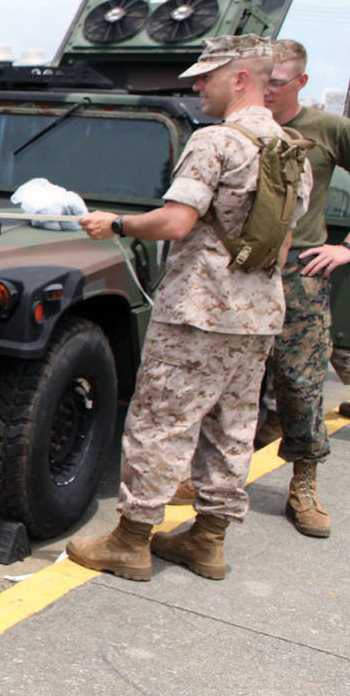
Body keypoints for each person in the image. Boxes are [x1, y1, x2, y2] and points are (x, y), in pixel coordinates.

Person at [66, 34, 308, 581]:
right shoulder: (291, 151)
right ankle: (208, 540)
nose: (198, 85)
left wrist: (117, 223)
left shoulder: (217, 141)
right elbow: (282, 247)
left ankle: (130, 542)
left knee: (159, 424)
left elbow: (176, 223)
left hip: (199, 312)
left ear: (241, 78)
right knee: (233, 426)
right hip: (259, 315)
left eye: (208, 75)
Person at [251, 40, 346, 537]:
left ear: (301, 83)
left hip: (300, 274)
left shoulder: (327, 129)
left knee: (299, 382)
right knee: (234, 377)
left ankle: (303, 483)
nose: (267, 90)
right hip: (246, 270)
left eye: (278, 83)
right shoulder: (247, 124)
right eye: (261, 79)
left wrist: (347, 248)